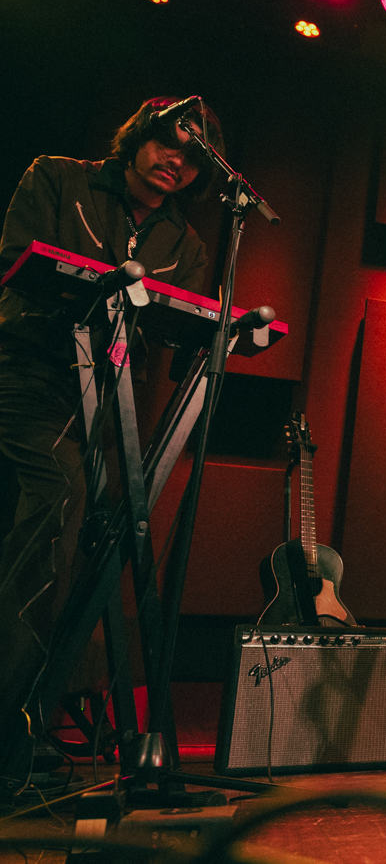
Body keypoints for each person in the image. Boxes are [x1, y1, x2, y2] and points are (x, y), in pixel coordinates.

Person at [0, 97, 224, 790]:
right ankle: (8, 719)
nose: (176, 164)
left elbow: (175, 324)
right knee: (58, 509)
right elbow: (16, 263)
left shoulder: (184, 244)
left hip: (105, 408)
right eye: (167, 146)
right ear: (137, 138)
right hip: (29, 379)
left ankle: (37, 717)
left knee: (103, 543)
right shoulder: (59, 179)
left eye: (192, 161)